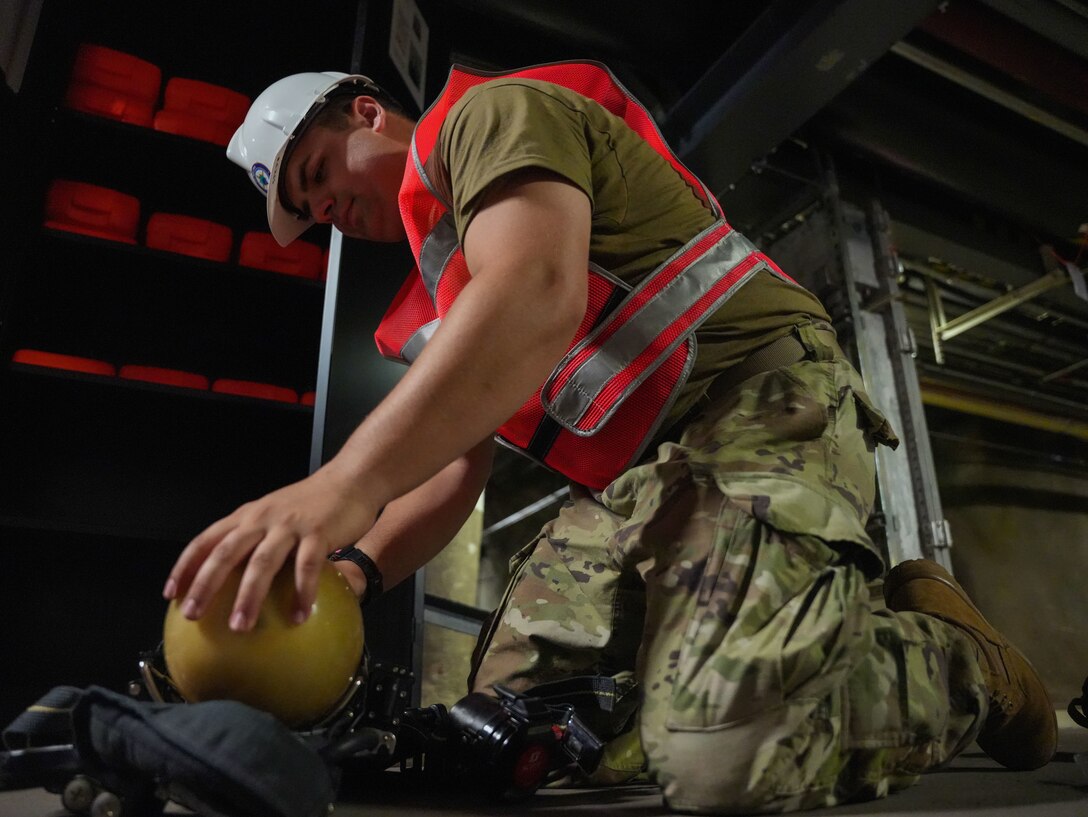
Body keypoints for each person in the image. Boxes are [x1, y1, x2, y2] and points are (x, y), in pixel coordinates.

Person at [163, 62, 1057, 812]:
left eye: (318, 171)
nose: (327, 207)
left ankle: (956, 662)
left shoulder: (487, 117)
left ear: (364, 111)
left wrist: (339, 487)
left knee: (722, 756)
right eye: (310, 211)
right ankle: (759, 654)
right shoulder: (433, 299)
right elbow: (450, 474)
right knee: (507, 733)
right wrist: (353, 572)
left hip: (759, 399)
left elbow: (540, 289)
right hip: (639, 492)